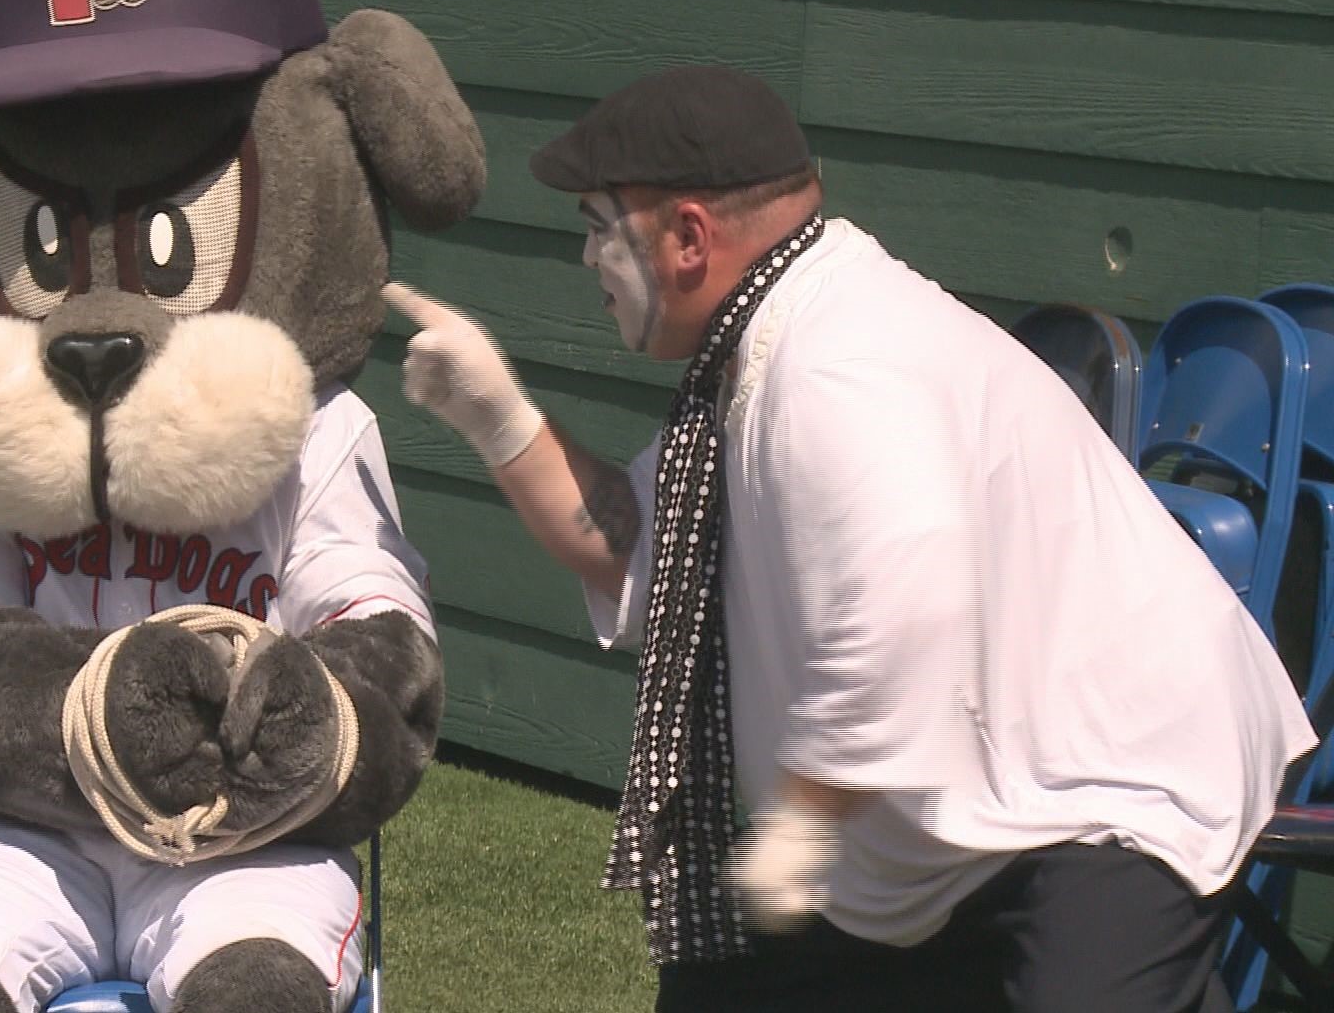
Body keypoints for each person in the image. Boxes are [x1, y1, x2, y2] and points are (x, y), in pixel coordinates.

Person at [384, 65, 1318, 1012]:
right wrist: (498, 417)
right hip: (951, 812)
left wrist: (807, 815)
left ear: (689, 237)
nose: (588, 260)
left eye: (597, 226)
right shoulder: (766, 344)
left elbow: (910, 596)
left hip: (1113, 778)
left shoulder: (836, 366)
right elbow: (636, 553)